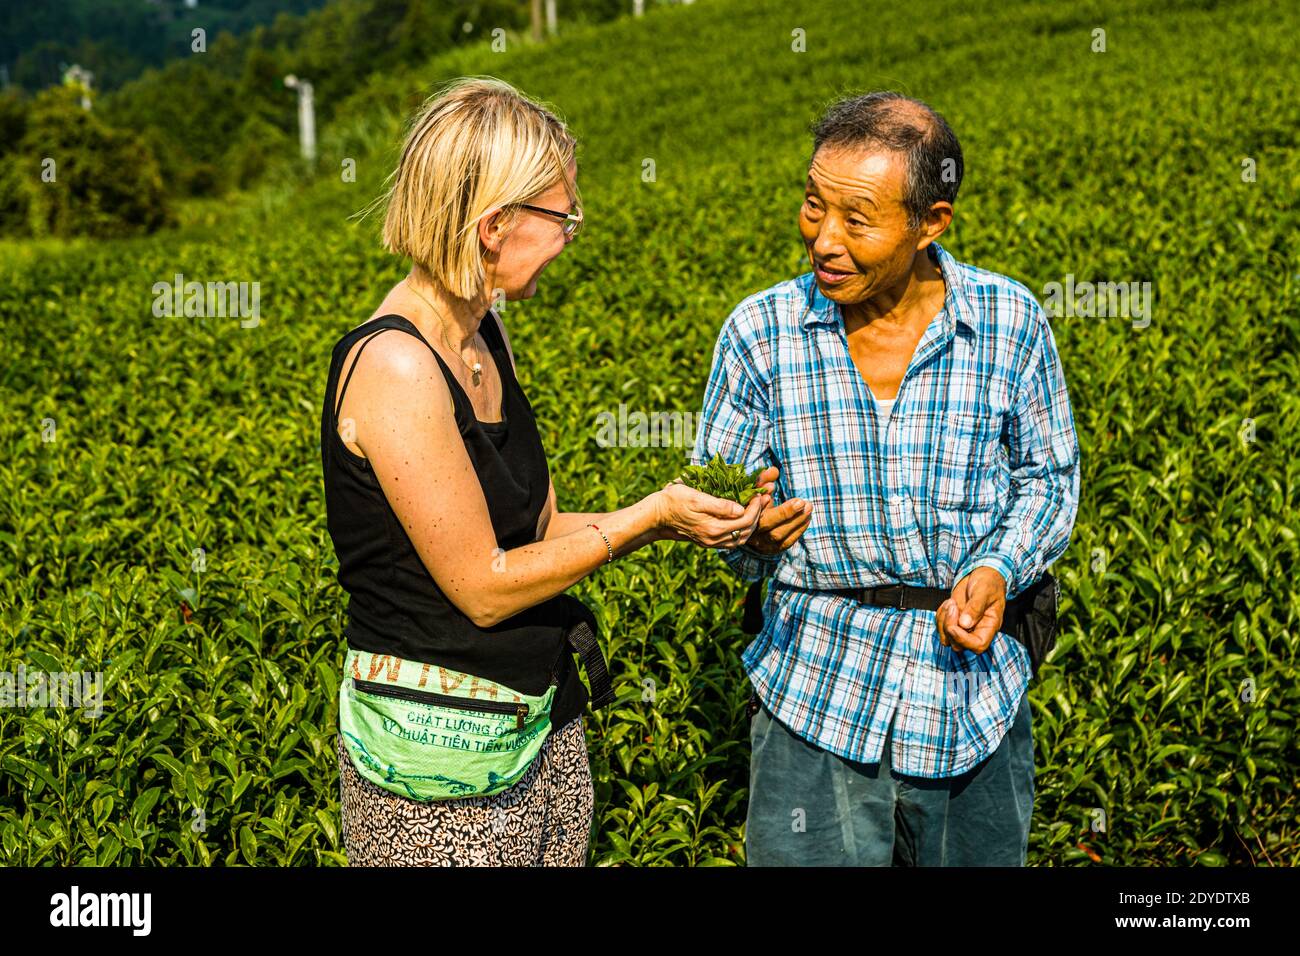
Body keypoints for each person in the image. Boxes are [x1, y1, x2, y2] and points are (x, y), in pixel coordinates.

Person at [321, 76, 771, 866]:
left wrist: (680, 517)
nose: (570, 234)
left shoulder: (486, 330)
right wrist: (650, 518)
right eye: (563, 215)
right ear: (496, 224)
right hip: (441, 771)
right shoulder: (397, 365)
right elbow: (487, 585)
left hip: (536, 723)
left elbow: (537, 532)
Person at [692, 91, 1080, 865]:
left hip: (971, 698)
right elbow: (717, 510)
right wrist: (750, 536)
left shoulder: (1007, 321)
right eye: (812, 206)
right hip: (814, 692)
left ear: (931, 222)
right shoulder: (760, 335)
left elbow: (1049, 477)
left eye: (857, 219)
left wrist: (999, 568)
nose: (824, 241)